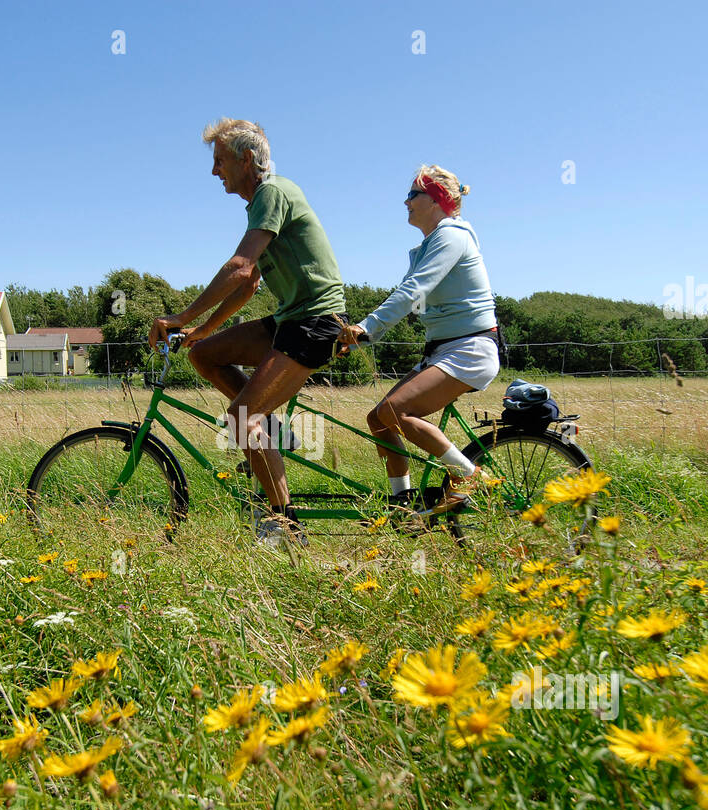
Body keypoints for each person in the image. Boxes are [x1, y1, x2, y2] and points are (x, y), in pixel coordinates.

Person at [149, 118, 349, 545]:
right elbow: (250, 283)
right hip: (291, 319)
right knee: (204, 355)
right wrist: (204, 330)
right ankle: (270, 431)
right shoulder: (261, 201)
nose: (214, 170)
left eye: (219, 160)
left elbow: (239, 267)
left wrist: (179, 319)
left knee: (240, 417)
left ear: (245, 159)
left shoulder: (272, 193)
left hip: (314, 322)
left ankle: (284, 523)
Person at [337, 164, 500, 512]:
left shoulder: (452, 235)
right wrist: (364, 336)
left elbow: (413, 290)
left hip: (469, 348)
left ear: (437, 198)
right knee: (378, 418)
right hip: (445, 350)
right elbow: (410, 295)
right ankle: (402, 503)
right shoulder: (431, 243)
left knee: (396, 410)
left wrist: (367, 327)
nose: (406, 201)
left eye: (413, 194)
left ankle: (468, 476)